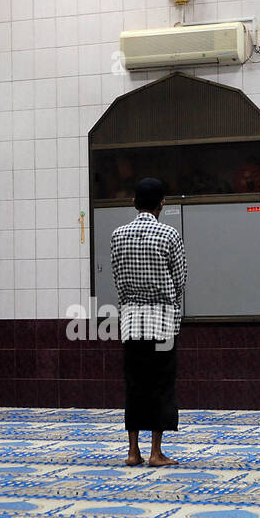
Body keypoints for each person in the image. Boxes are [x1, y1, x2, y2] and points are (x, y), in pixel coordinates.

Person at [109, 177, 187, 467]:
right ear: (162, 203)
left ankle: (132, 452)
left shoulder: (118, 235)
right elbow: (180, 279)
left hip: (131, 321)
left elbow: (117, 278)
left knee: (135, 384)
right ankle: (156, 452)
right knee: (161, 384)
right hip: (162, 322)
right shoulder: (169, 235)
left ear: (134, 203)